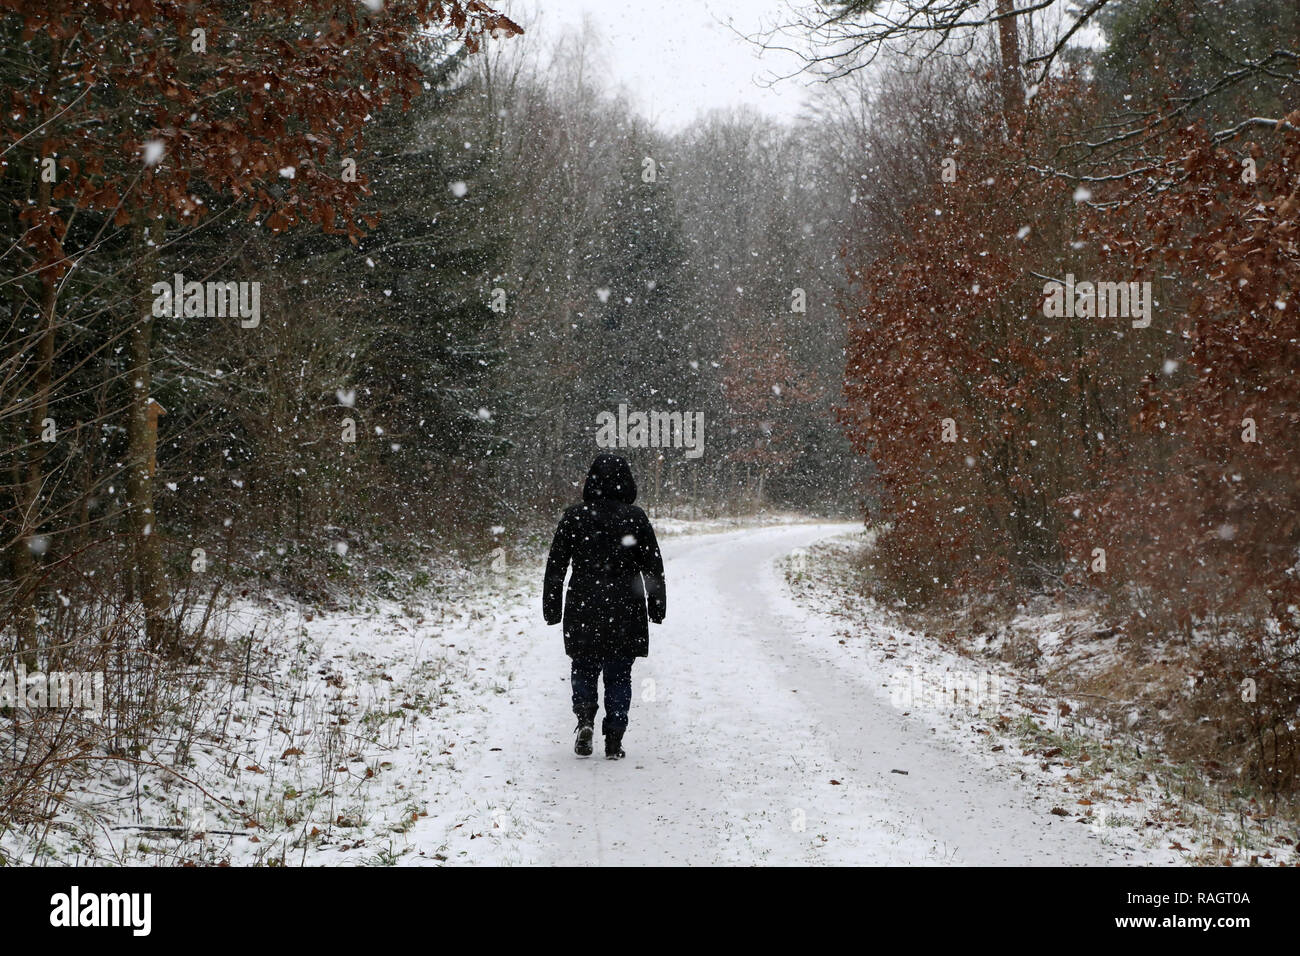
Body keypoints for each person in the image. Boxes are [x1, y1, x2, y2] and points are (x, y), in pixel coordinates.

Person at [543, 453, 665, 759]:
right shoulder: (635, 518)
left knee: (583, 665)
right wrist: (657, 603)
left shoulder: (574, 516)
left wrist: (552, 604)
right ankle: (614, 736)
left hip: (584, 600)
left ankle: (584, 717)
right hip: (626, 604)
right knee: (619, 673)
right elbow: (652, 564)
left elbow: (556, 564)